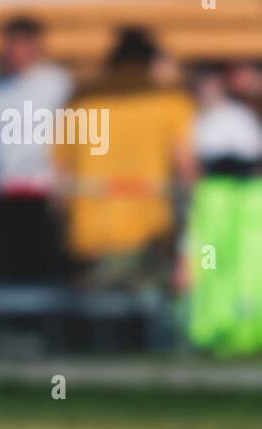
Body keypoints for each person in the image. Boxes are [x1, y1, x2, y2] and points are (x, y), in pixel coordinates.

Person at [54, 27, 195, 291]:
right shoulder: (170, 100)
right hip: (149, 234)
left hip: (89, 238)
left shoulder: (81, 99)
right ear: (151, 62)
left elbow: (60, 173)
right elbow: (186, 172)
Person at [0, 15, 73, 186]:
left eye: (24, 43)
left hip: (44, 186)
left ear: (36, 46)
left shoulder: (58, 84)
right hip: (1, 187)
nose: (16, 51)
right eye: (12, 43)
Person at [193, 65, 262, 175]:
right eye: (204, 88)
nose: (208, 92)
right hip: (209, 177)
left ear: (221, 88)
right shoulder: (196, 117)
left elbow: (254, 148)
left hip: (241, 176)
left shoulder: (240, 115)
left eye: (212, 87)